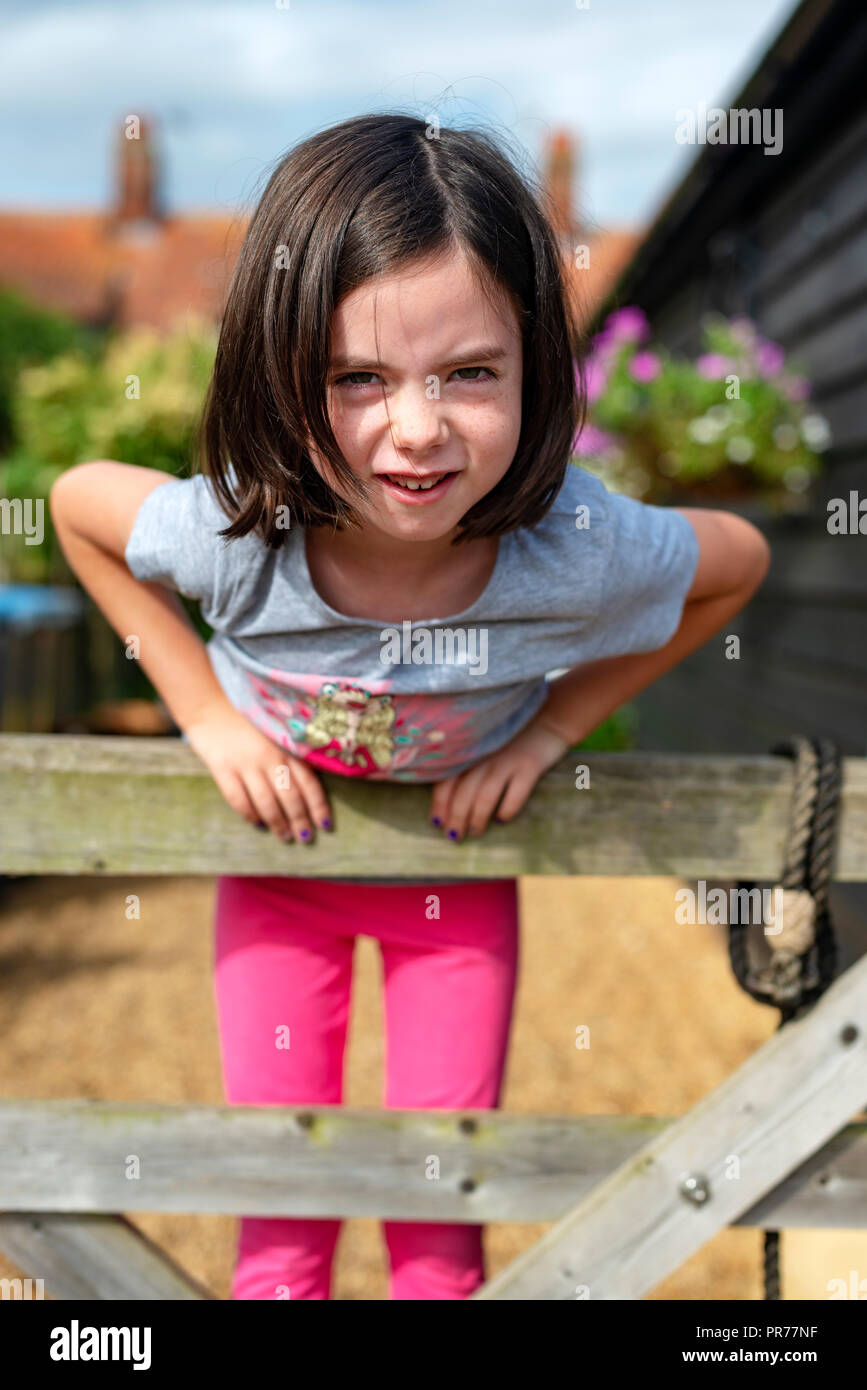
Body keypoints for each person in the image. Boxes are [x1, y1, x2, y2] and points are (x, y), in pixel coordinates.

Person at [50, 113, 771, 1300]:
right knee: (283, 1220)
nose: (420, 428)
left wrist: (550, 731)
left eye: (471, 373)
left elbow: (735, 561)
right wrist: (206, 713)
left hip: (459, 886)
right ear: (280, 369)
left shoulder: (579, 549)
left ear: (536, 363)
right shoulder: (240, 536)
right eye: (358, 379)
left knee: (443, 1215)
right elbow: (80, 506)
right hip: (280, 879)